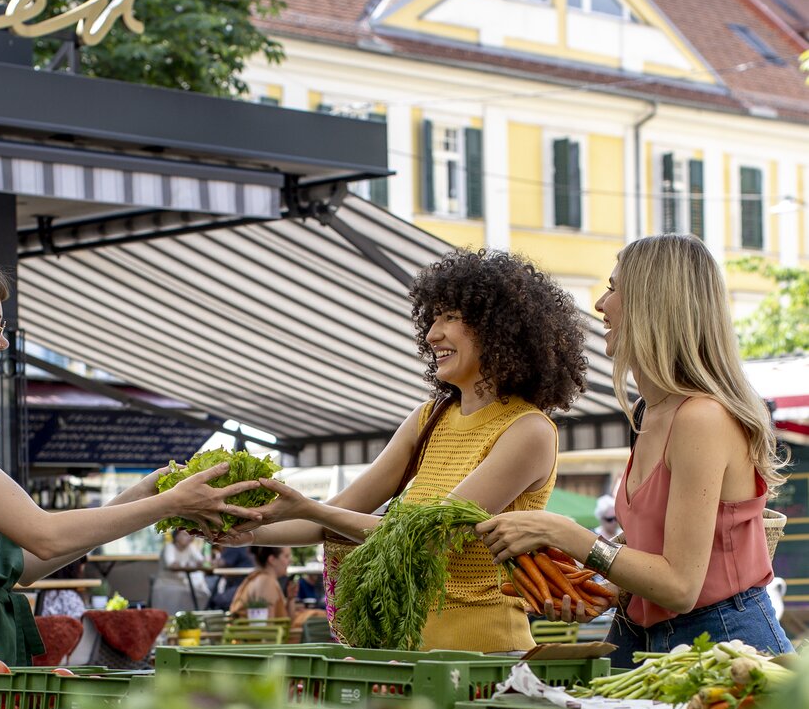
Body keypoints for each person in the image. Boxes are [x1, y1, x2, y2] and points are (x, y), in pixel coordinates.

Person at [0, 241, 267, 709]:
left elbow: (29, 564)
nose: (2, 341)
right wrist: (171, 501)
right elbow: (43, 535)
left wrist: (149, 491)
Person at [219, 249, 587, 652]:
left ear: (499, 328)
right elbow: (338, 516)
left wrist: (309, 507)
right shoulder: (428, 418)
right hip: (405, 652)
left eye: (449, 317)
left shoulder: (528, 430)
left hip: (486, 655)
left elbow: (422, 539)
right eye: (432, 318)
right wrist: (238, 530)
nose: (432, 334)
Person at [476, 233, 792, 668]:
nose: (601, 304)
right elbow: (659, 554)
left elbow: (681, 586)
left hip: (722, 645)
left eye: (613, 287)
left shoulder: (702, 417)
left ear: (652, 303)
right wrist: (605, 592)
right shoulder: (649, 412)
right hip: (636, 636)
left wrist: (564, 533)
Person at [151, 527, 210, 613]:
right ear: (176, 536)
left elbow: (201, 561)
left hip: (183, 581)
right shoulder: (169, 547)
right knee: (183, 592)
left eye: (190, 535)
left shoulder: (191, 547)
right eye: (185, 535)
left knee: (202, 592)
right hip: (167, 582)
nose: (189, 537)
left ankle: (194, 615)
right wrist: (188, 565)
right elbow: (171, 564)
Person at [229, 545, 298, 620]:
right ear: (272, 560)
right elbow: (266, 626)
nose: (290, 561)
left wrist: (290, 599)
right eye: (286, 556)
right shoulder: (266, 582)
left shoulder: (264, 579)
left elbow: (286, 622)